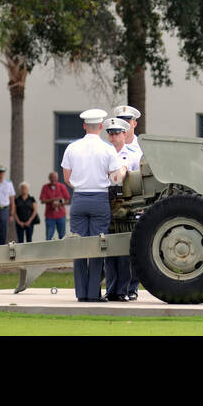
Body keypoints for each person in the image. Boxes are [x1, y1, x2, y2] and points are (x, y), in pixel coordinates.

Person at [62, 109, 126, 302]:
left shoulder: (72, 147)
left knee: (79, 247)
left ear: (84, 126)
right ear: (100, 126)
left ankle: (81, 293)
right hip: (99, 199)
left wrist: (81, 186)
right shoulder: (107, 149)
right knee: (98, 246)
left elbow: (67, 178)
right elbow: (116, 178)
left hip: (79, 198)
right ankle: (93, 293)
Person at [103, 118, 139, 300]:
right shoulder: (104, 153)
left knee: (125, 249)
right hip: (107, 200)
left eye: (117, 133)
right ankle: (111, 289)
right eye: (110, 133)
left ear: (125, 134)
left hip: (126, 203)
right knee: (109, 249)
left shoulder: (133, 155)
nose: (113, 137)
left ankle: (124, 290)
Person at [41, 172, 69, 241]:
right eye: (52, 177)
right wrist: (52, 200)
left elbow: (67, 200)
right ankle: (49, 248)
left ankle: (62, 248)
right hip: (50, 215)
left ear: (57, 178)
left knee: (62, 236)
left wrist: (59, 204)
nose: (53, 179)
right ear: (49, 178)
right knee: (49, 236)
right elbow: (42, 200)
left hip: (61, 215)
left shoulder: (62, 186)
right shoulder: (45, 187)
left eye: (55, 177)